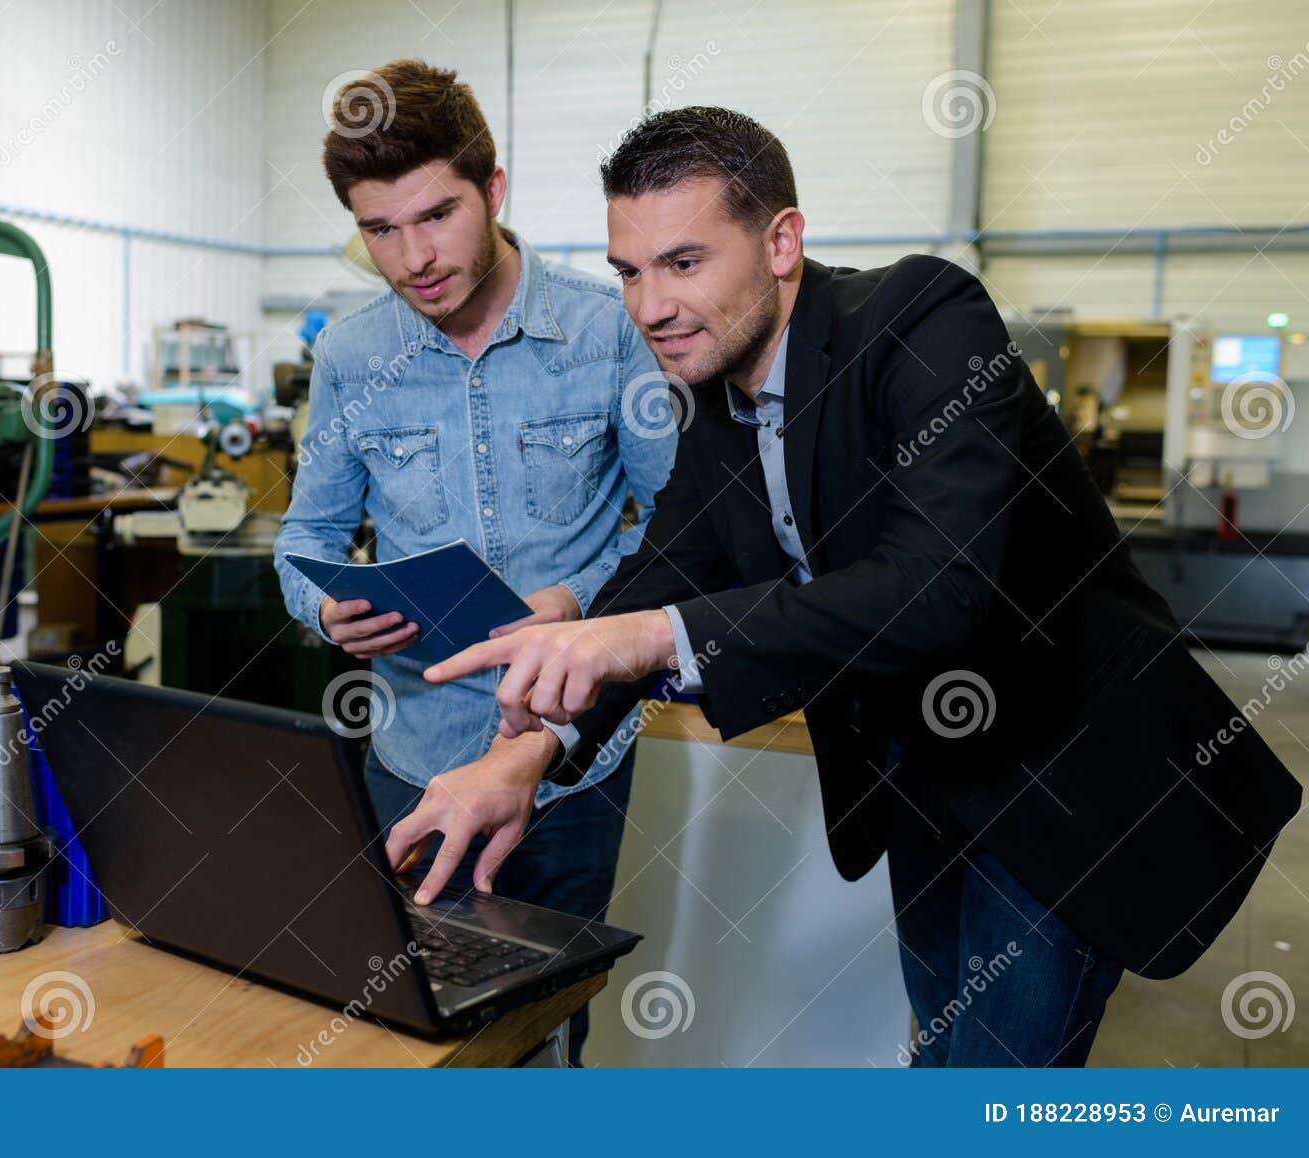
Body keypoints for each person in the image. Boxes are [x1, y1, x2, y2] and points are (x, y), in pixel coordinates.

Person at [386, 106, 1302, 1067]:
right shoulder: (712, 392)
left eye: (685, 262)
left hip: (1057, 778)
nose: (649, 305)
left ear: (782, 241)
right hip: (926, 782)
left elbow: (941, 588)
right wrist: (520, 759)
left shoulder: (919, 320)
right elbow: (665, 569)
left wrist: (656, 637)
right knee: (939, 1052)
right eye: (629, 271)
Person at [272, 60, 677, 1063]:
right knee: (408, 1045)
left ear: (493, 190)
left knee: (541, 1047)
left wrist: (575, 604)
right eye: (379, 230)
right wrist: (325, 612)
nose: (412, 258)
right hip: (412, 764)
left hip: (568, 766)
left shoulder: (607, 328)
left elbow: (683, 527)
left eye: (436, 215)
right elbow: (304, 543)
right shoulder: (353, 358)